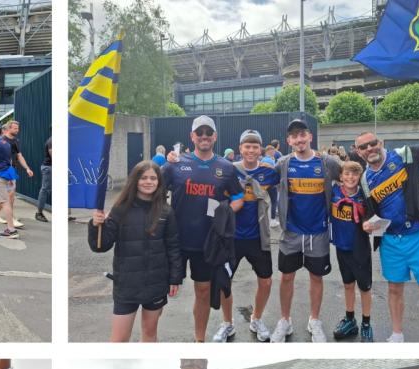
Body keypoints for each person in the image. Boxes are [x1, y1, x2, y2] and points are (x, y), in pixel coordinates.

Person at [357, 129, 419, 342]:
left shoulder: (404, 155)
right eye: (363, 147)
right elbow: (370, 211)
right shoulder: (365, 180)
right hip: (390, 241)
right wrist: (367, 224)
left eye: (372, 143)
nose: (369, 148)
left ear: (381, 142)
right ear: (358, 152)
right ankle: (397, 334)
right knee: (394, 289)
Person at [162, 115, 245, 342]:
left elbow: (238, 198)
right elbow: (151, 187)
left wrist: (223, 213)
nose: (204, 136)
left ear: (215, 136)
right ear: (192, 136)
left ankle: (199, 340)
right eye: (200, 133)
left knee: (203, 291)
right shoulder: (176, 164)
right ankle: (149, 339)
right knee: (159, 291)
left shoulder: (226, 167)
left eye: (209, 133)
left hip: (207, 243)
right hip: (175, 241)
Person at [89, 160, 181, 342]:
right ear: (135, 180)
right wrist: (95, 225)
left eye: (153, 178)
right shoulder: (120, 209)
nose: (148, 182)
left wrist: (175, 278)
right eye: (143, 177)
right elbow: (100, 246)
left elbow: (173, 247)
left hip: (156, 284)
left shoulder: (166, 211)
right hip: (127, 285)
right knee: (119, 340)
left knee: (149, 334)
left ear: (159, 182)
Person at [271, 117, 342, 342]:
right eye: (294, 136)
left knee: (316, 278)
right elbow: (258, 179)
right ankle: (285, 320)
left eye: (302, 134)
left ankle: (314, 320)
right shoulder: (283, 163)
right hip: (291, 232)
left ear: (310, 136)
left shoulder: (326, 162)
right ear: (289, 141)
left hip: (318, 232)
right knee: (286, 278)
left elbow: (351, 179)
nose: (299, 139)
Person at [216, 129, 279, 342]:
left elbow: (289, 179)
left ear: (261, 149)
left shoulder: (269, 172)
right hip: (232, 237)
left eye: (255, 146)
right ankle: (227, 323)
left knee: (266, 281)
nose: (251, 150)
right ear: (240, 148)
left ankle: (256, 318)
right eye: (247, 146)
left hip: (258, 237)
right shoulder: (229, 170)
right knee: (224, 281)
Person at [330, 160, 375, 341]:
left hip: (360, 249)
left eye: (354, 174)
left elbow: (379, 213)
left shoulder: (365, 196)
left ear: (360, 177)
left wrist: (370, 225)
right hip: (342, 247)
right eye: (347, 174)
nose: (350, 177)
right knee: (348, 285)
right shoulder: (334, 192)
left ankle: (366, 323)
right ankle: (350, 319)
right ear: (341, 176)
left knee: (364, 287)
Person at [35, 136, 52, 222]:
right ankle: (39, 213)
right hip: (49, 168)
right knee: (45, 189)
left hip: (50, 167)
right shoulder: (52, 140)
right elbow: (52, 153)